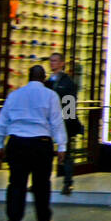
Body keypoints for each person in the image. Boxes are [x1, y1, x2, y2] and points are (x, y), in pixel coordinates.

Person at [0, 65, 67, 221]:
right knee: (42, 183)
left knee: (16, 184)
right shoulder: (50, 95)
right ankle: (43, 217)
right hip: (40, 142)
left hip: (17, 142)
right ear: (43, 78)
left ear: (28, 77)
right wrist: (62, 146)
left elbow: (3, 120)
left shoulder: (14, 95)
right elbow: (56, 122)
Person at [45, 53, 80, 195]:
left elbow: (70, 105)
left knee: (66, 153)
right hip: (49, 122)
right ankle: (40, 181)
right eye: (51, 61)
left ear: (61, 63)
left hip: (63, 121)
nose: (52, 63)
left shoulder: (67, 82)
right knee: (46, 153)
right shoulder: (49, 81)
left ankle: (68, 182)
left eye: (55, 61)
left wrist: (69, 122)